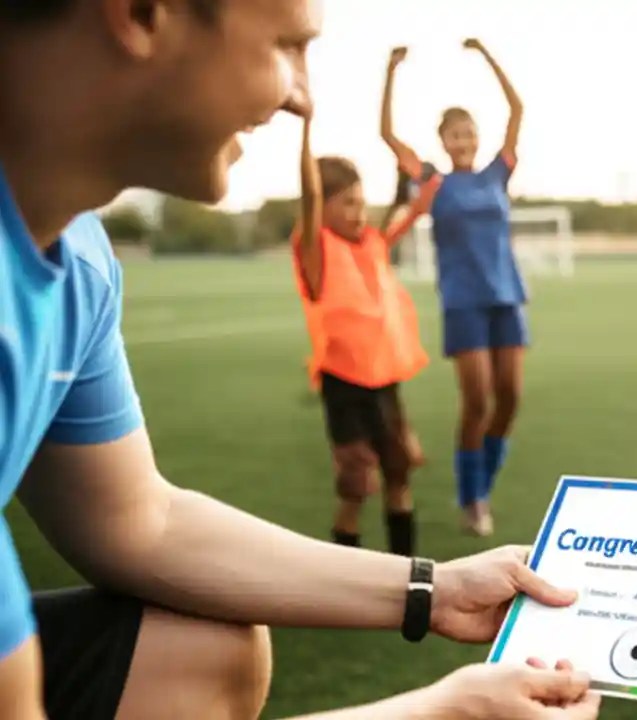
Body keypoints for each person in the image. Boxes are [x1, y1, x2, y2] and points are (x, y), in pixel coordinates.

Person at [0, 1, 599, 718]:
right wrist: (445, 711)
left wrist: (432, 589)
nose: (301, 94)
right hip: (353, 379)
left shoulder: (79, 261)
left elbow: (140, 521)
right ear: (139, 13)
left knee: (201, 648)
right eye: (287, 47)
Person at [381, 40, 527, 537]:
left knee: (510, 398)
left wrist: (487, 54)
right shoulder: (432, 182)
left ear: (476, 137)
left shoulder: (497, 174)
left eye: (468, 133)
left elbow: (517, 108)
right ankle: (473, 499)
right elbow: (387, 135)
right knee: (478, 401)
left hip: (507, 296)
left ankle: (482, 481)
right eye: (453, 135)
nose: (462, 141)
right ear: (443, 142)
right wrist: (391, 71)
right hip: (463, 302)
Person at [292, 110, 430, 555]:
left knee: (398, 474)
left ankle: (406, 568)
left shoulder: (372, 244)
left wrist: (419, 179)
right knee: (355, 485)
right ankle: (347, 569)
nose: (359, 211)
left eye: (360, 201)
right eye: (347, 203)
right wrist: (308, 126)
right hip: (343, 385)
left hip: (384, 382)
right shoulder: (315, 251)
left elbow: (408, 206)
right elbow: (311, 195)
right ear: (322, 207)